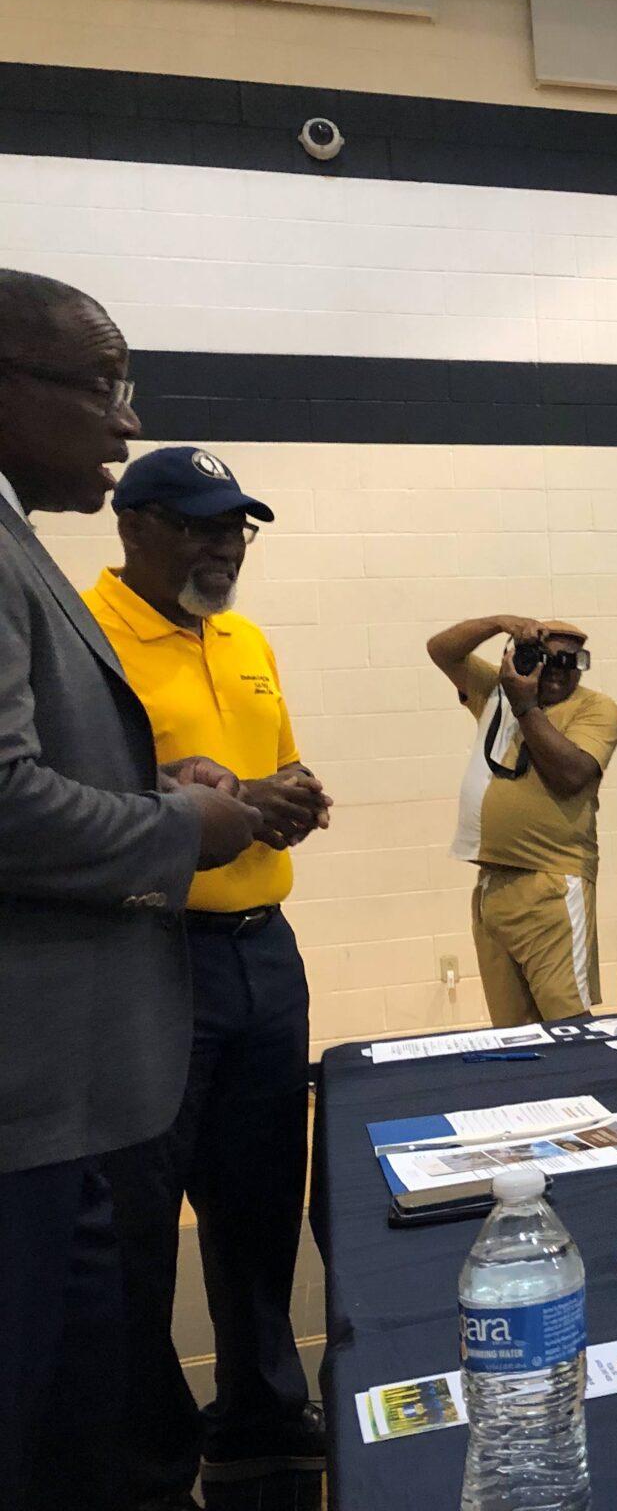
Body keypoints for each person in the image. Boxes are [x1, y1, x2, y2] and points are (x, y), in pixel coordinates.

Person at [0, 269, 259, 1511]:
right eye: (101, 387)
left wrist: (156, 783)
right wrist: (177, 826)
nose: (124, 420)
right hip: (33, 1097)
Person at [83, 446, 332, 1508]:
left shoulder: (243, 638)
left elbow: (276, 764)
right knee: (140, 1221)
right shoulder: (87, 634)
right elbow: (77, 798)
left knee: (260, 1200)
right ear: (134, 526)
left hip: (261, 951)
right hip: (148, 953)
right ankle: (150, 1458)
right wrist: (201, 803)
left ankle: (259, 1418)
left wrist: (289, 795)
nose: (223, 546)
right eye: (198, 525)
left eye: (236, 527)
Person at [427, 615, 617, 1025]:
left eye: (572, 661)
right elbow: (441, 650)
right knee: (513, 1031)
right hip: (493, 884)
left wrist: (526, 706)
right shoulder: (497, 692)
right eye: (546, 659)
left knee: (567, 1022)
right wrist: (500, 623)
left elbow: (572, 775)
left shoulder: (595, 708)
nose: (559, 671)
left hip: (551, 881)